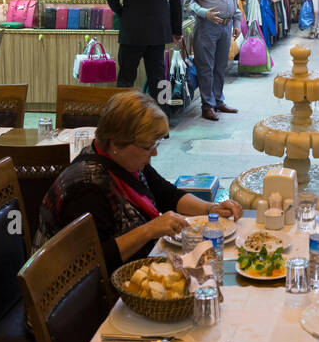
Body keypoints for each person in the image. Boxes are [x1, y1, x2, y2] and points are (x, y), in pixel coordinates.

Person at [34, 92, 243, 274]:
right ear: (116, 143)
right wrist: (149, 230)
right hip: (80, 301)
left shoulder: (124, 161)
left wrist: (211, 209)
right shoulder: (87, 188)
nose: (155, 152)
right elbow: (92, 261)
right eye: (148, 146)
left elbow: (167, 194)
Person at [184, 0, 242, 121]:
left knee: (220, 66)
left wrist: (237, 21)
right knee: (206, 67)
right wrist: (204, 13)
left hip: (226, 26)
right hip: (207, 27)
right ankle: (207, 105)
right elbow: (188, 2)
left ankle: (218, 100)